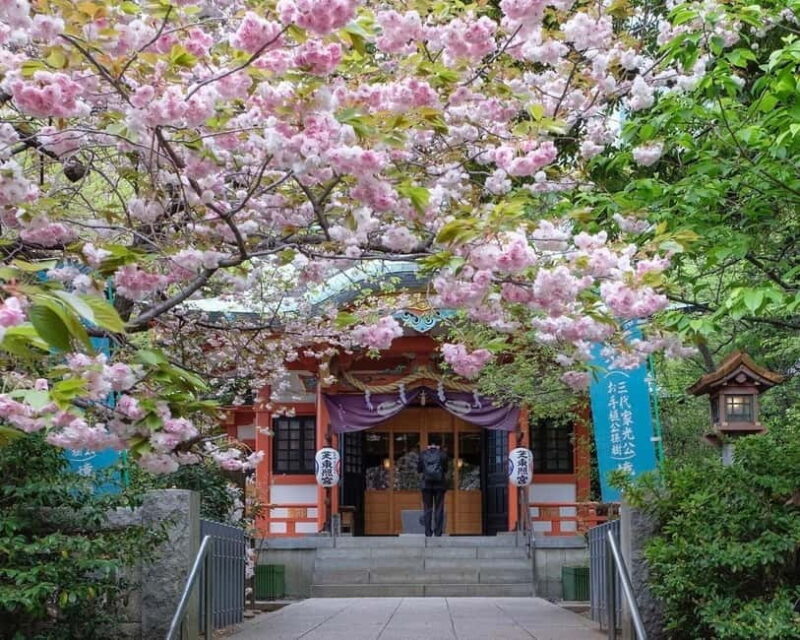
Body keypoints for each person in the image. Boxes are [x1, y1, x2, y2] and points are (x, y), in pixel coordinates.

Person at [417, 436, 449, 537]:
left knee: (427, 508)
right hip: (439, 485)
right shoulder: (443, 455)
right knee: (439, 508)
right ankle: (438, 532)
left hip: (426, 485)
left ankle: (428, 532)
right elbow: (445, 469)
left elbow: (419, 469)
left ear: (428, 445)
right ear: (438, 445)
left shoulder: (423, 454)